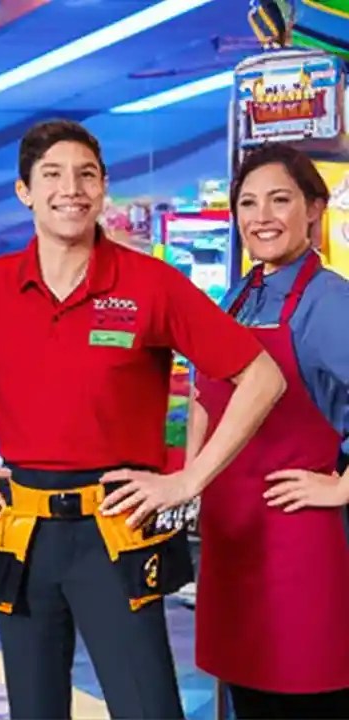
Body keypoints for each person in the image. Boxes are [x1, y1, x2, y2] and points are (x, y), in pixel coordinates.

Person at [0, 119, 286, 719]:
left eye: (86, 175)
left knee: (150, 708)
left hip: (117, 529)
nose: (71, 188)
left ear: (103, 188)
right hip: (22, 529)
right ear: (25, 190)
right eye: (52, 175)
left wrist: (189, 479)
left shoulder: (150, 284)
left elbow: (262, 375)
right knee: (35, 710)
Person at [191, 142, 349, 719]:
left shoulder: (328, 302)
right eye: (248, 203)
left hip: (300, 551)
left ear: (314, 209)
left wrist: (342, 486)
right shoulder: (239, 297)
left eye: (280, 200)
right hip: (238, 547)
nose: (261, 217)